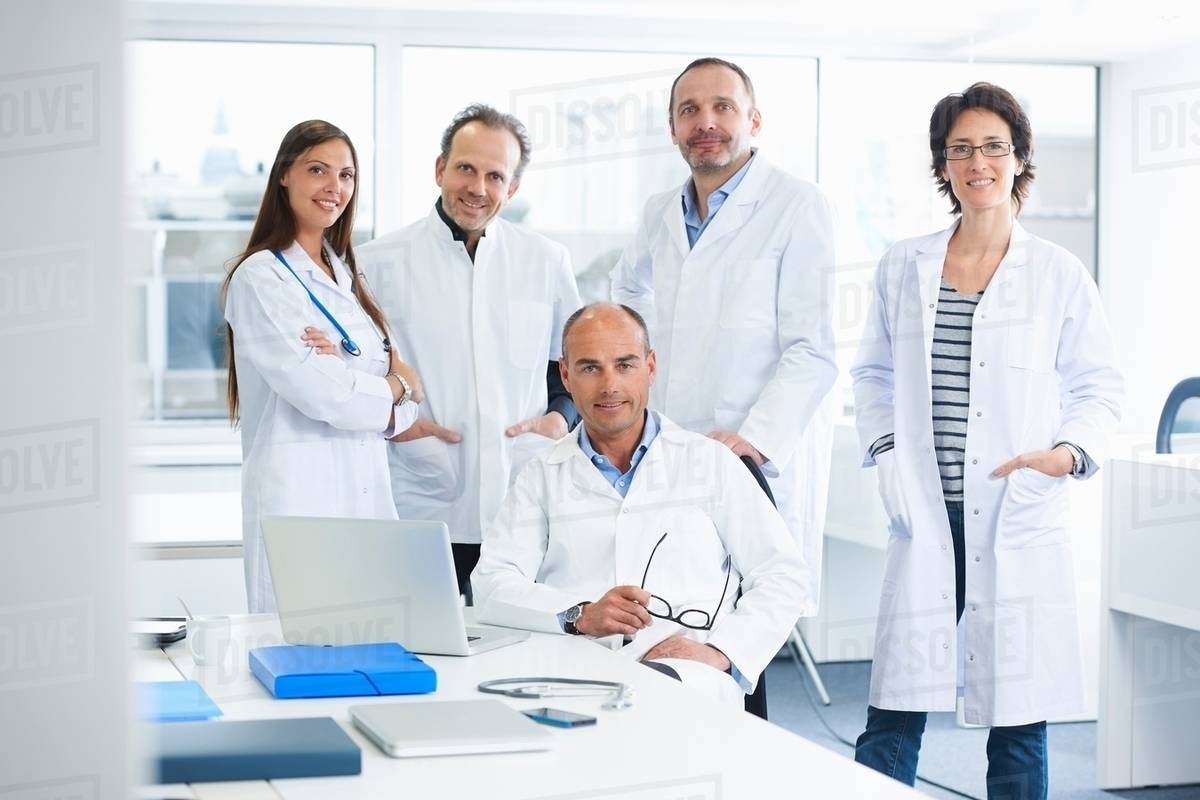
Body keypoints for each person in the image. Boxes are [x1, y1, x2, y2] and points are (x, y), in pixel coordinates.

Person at [850, 83, 1123, 799]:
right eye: (961, 149)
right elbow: (872, 375)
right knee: (892, 719)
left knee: (1019, 729)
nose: (979, 162)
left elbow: (1100, 388)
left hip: (1015, 517)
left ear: (1020, 157)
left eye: (994, 147)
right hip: (926, 514)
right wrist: (884, 454)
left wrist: (1064, 456)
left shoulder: (1060, 274)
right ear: (943, 166)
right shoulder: (902, 267)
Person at [472, 303, 808, 703]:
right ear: (566, 375)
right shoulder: (540, 474)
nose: (609, 385)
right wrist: (578, 614)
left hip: (686, 678)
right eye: (590, 368)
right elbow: (493, 584)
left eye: (625, 365)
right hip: (573, 673)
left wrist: (721, 653)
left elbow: (782, 575)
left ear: (650, 367)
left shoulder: (710, 462)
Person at [610, 57, 837, 611]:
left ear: (753, 120)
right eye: (689, 110)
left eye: (723, 107)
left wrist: (754, 439)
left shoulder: (797, 205)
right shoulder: (659, 211)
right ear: (672, 129)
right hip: (669, 448)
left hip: (747, 454)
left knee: (743, 628)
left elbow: (814, 349)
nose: (705, 122)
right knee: (671, 617)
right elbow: (624, 299)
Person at [358, 104, 582, 600]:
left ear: (513, 189)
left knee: (522, 646)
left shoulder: (545, 260)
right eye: (465, 168)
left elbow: (569, 365)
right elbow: (360, 371)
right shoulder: (379, 262)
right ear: (440, 170)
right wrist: (399, 424)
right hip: (425, 487)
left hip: (519, 485)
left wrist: (559, 419)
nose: (477, 188)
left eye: (495, 176)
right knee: (422, 643)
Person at [222, 120, 422, 613]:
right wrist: (390, 387)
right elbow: (323, 394)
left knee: (375, 646)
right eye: (318, 170)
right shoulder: (261, 278)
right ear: (285, 175)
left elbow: (412, 397)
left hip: (367, 495)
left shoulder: (351, 276)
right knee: (301, 652)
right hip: (299, 500)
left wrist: (381, 385)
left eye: (347, 175)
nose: (335, 188)